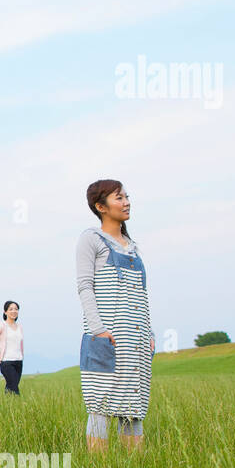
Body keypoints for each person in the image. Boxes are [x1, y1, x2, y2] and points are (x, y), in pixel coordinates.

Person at [76, 179, 154, 452]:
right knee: (100, 404)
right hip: (107, 337)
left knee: (133, 406)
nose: (126, 202)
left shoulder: (132, 247)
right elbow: (84, 286)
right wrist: (98, 330)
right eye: (119, 198)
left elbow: (141, 295)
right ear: (101, 207)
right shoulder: (91, 239)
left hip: (136, 340)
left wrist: (150, 333)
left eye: (126, 197)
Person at [0, 301, 24, 395]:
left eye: (16, 309)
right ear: (5, 312)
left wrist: (22, 356)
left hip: (18, 361)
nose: (14, 311)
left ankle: (7, 402)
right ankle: (18, 403)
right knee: (14, 388)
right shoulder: (2, 326)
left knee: (11, 386)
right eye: (11, 309)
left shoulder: (19, 327)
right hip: (6, 361)